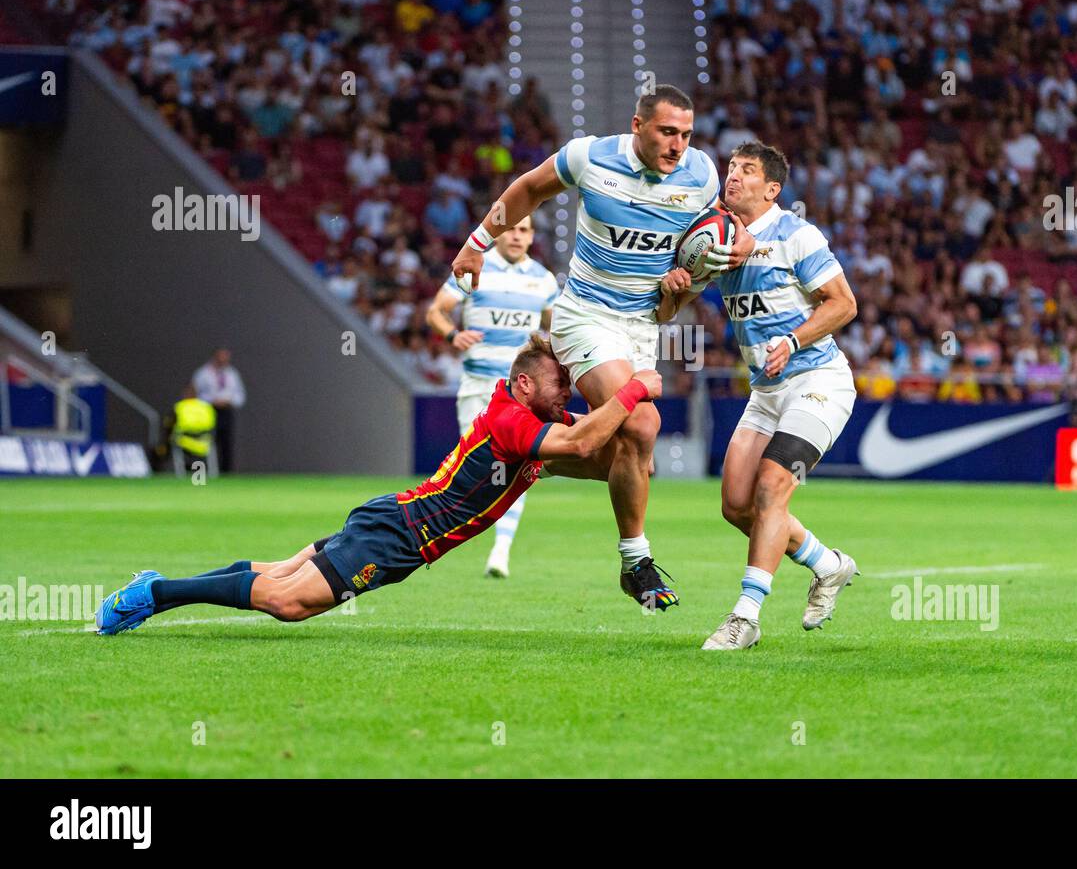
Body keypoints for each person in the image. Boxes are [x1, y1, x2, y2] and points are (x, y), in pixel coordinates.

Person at [96, 335, 663, 635]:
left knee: (279, 573)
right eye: (559, 383)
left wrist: (633, 455)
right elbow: (582, 445)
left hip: (397, 522)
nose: (568, 392)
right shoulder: (511, 422)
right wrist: (634, 390)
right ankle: (155, 593)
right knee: (287, 603)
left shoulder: (538, 423)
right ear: (522, 384)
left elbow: (593, 455)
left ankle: (155, 587)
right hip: (399, 534)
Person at [449, 84, 755, 610]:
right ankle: (636, 560)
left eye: (685, 134)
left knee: (628, 456)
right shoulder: (590, 157)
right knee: (642, 422)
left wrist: (716, 258)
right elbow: (528, 188)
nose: (677, 145)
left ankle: (529, 456)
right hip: (587, 314)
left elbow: (727, 228)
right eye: (666, 132)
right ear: (638, 127)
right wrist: (477, 244)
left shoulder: (701, 173)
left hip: (644, 324)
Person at [658, 141, 859, 650]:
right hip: (766, 392)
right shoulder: (715, 236)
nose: (733, 176)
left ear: (772, 189)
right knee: (735, 505)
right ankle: (828, 564)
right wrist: (675, 286)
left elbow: (843, 305)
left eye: (747, 170)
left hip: (818, 382)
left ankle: (745, 617)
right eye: (730, 168)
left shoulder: (796, 234)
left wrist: (793, 340)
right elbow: (667, 312)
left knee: (772, 489)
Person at [426, 214, 558, 577]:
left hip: (520, 395)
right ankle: (440, 529)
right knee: (477, 467)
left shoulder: (543, 280)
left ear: (532, 237)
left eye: (525, 230)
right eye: (512, 228)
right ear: (500, 233)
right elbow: (436, 311)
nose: (517, 236)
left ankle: (501, 549)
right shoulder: (475, 270)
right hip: (478, 387)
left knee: (517, 467)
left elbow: (556, 329)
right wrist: (454, 335)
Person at [192, 348, 245, 472]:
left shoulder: (232, 373)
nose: (223, 360)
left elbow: (239, 394)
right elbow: (195, 393)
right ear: (215, 357)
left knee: (226, 442)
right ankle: (200, 472)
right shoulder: (203, 373)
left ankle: (226, 473)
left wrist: (228, 401)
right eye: (221, 357)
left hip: (226, 411)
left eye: (226, 357)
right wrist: (211, 400)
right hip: (207, 411)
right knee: (204, 441)